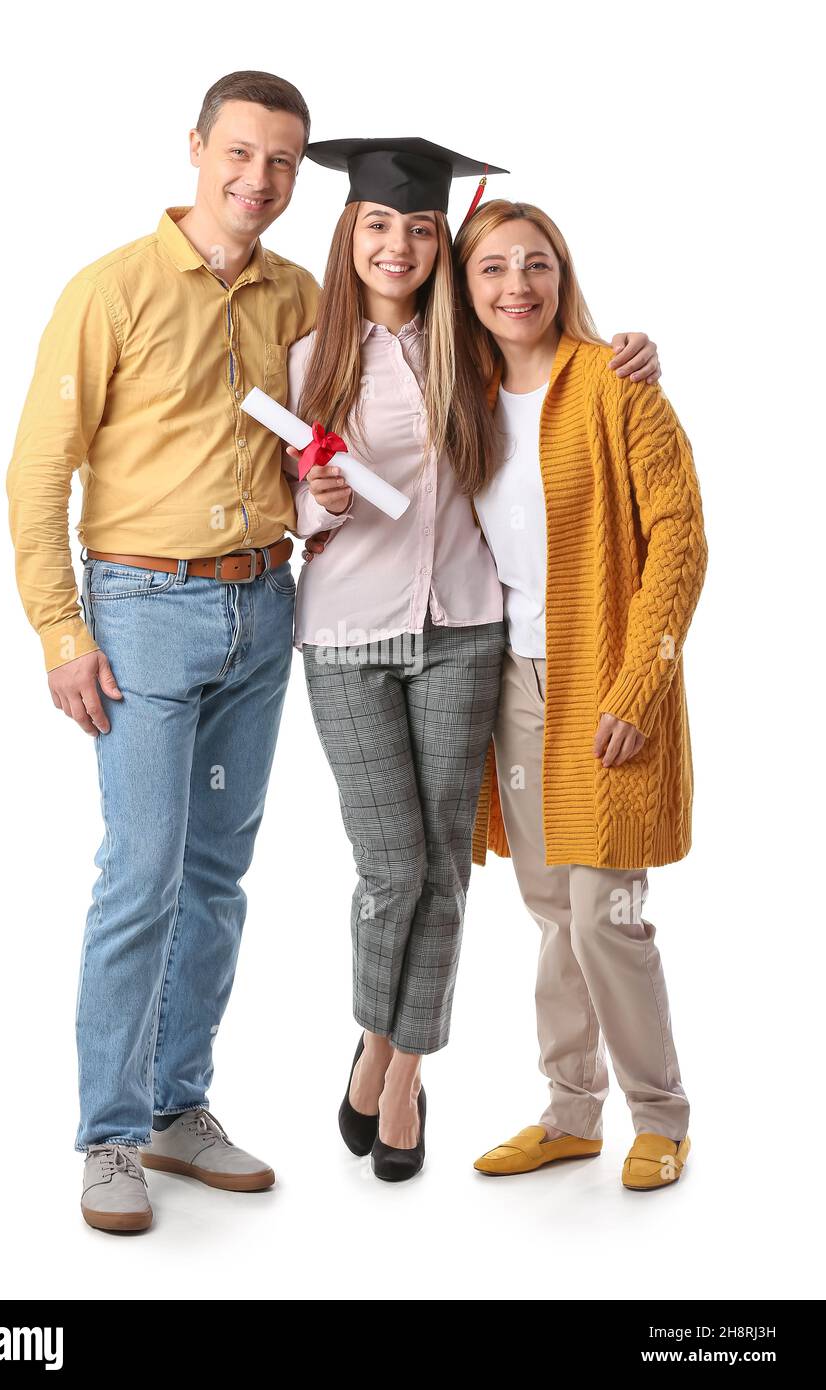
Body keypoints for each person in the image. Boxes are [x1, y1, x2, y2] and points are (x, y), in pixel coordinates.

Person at [6, 71, 346, 1234]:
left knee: (215, 878)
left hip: (263, 607)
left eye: (284, 163)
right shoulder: (110, 289)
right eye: (240, 153)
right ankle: (108, 1135)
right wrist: (61, 629)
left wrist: (321, 483)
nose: (259, 180)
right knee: (140, 874)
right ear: (196, 147)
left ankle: (175, 1105)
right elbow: (37, 473)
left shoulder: (297, 295)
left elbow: (323, 429)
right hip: (142, 609)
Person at [284, 139, 661, 1182]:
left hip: (464, 632)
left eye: (417, 226)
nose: (397, 244)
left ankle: (402, 1075)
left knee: (446, 868)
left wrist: (629, 350)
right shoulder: (303, 358)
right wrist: (305, 505)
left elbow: (558, 382)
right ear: (348, 232)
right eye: (377, 225)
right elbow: (272, 501)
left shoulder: (472, 349)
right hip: (349, 637)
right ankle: (374, 1037)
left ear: (438, 241)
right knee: (389, 870)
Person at [457, 200, 707, 1190]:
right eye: (492, 270)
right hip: (510, 689)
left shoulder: (616, 381)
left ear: (560, 276)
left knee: (606, 910)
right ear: (466, 291)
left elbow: (679, 543)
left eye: (535, 265)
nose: (516, 286)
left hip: (604, 680)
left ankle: (661, 1115)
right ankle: (569, 1111)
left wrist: (639, 684)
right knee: (554, 906)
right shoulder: (461, 397)